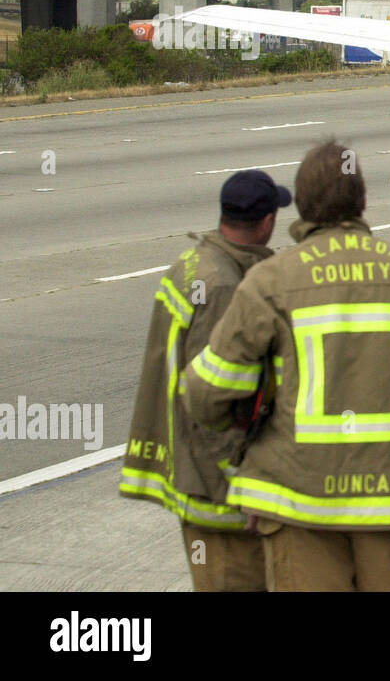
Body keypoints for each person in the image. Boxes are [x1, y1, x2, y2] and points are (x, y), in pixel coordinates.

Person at [181, 140, 390, 591]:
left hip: (298, 505)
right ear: (361, 202)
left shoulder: (272, 280)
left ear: (301, 205)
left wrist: (243, 447)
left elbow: (206, 392)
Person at [120, 169, 292, 591]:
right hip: (219, 492)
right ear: (268, 222)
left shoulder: (193, 263)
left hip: (193, 471)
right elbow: (213, 397)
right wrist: (243, 482)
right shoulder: (224, 289)